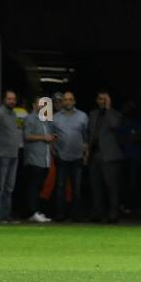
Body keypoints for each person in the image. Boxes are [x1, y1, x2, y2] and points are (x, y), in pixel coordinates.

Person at [51, 91, 89, 221]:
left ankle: (76, 215)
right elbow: (52, 136)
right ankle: (60, 215)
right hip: (61, 157)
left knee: (77, 188)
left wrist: (86, 155)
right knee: (60, 188)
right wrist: (53, 150)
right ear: (63, 102)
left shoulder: (83, 116)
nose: (68, 102)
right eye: (65, 100)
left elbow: (86, 138)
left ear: (74, 101)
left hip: (77, 158)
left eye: (70, 99)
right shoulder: (55, 117)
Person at [87, 90, 124, 224]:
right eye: (100, 99)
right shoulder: (92, 114)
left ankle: (114, 214)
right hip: (95, 154)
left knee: (112, 187)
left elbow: (115, 125)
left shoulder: (115, 114)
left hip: (110, 156)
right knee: (96, 186)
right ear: (97, 101)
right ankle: (97, 213)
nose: (102, 102)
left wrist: (108, 109)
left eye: (105, 99)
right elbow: (89, 133)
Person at [22, 97, 54, 223]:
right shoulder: (29, 118)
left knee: (40, 187)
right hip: (34, 159)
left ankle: (37, 212)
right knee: (33, 187)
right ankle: (32, 212)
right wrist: (44, 137)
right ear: (34, 105)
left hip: (45, 159)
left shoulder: (45, 119)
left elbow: (48, 137)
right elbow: (27, 135)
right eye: (40, 104)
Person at [0, 90, 20, 223]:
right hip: (2, 155)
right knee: (0, 186)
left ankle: (6, 215)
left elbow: (16, 132)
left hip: (13, 155)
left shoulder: (14, 114)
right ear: (4, 100)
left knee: (9, 187)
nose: (12, 101)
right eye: (9, 99)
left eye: (13, 99)